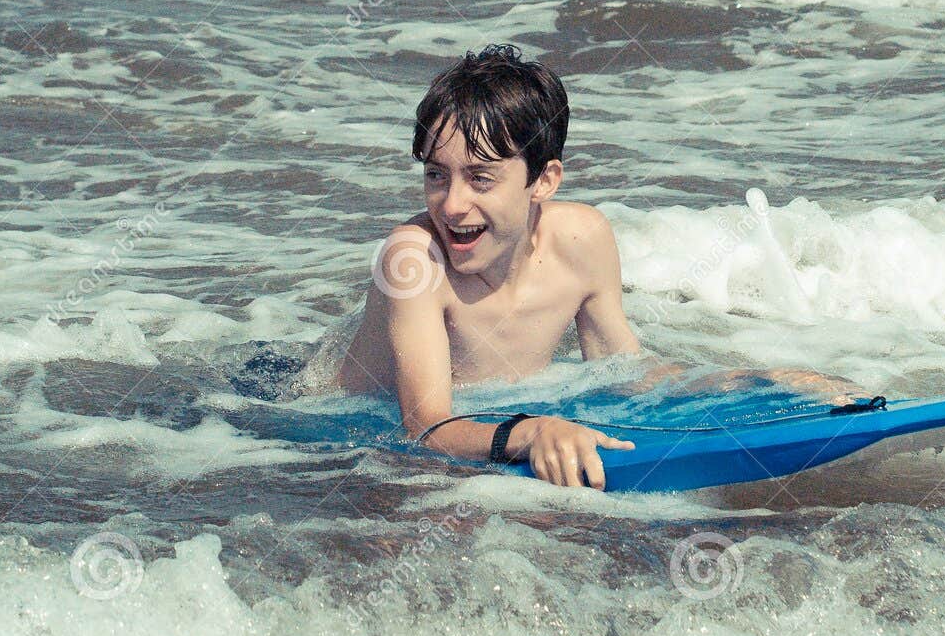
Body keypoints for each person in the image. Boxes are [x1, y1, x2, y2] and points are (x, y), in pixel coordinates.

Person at [338, 44, 860, 488]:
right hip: (315, 419)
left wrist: (765, 383)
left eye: (480, 179)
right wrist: (529, 433)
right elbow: (425, 427)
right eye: (436, 175)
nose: (451, 204)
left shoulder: (582, 240)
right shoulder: (414, 258)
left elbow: (626, 371)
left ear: (543, 180)